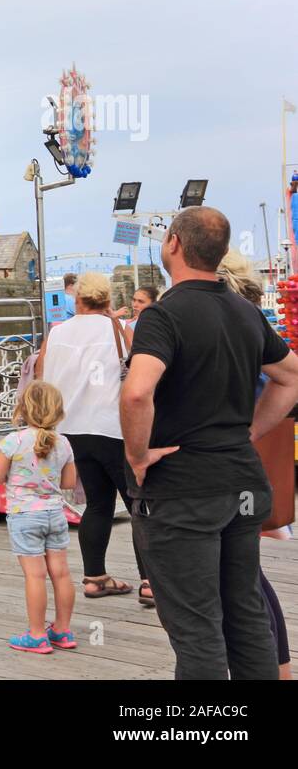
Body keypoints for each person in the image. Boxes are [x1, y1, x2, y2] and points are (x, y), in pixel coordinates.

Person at [121, 206, 298, 680]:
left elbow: (137, 390)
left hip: (183, 491)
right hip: (241, 485)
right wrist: (250, 431)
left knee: (197, 626)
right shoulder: (244, 312)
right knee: (244, 613)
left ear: (174, 244)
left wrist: (137, 455)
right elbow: (290, 377)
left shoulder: (163, 315)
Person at [42, 272, 150, 603]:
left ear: (77, 300)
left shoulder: (57, 333)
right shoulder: (118, 330)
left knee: (98, 503)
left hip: (71, 431)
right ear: (107, 300)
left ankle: (94, 577)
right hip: (111, 428)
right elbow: (137, 375)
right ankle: (151, 583)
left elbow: (43, 377)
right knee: (139, 505)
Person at [216, 250, 291, 680]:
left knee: (245, 582)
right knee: (247, 577)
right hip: (249, 468)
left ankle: (276, 668)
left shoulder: (235, 325)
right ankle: (277, 668)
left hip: (234, 469)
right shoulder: (253, 324)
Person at [0, 380, 77, 654]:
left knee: (35, 576)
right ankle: (62, 631)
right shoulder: (63, 443)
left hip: (25, 516)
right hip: (55, 514)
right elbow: (69, 483)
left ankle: (37, 634)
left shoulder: (13, 441)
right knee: (61, 574)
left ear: (23, 409)